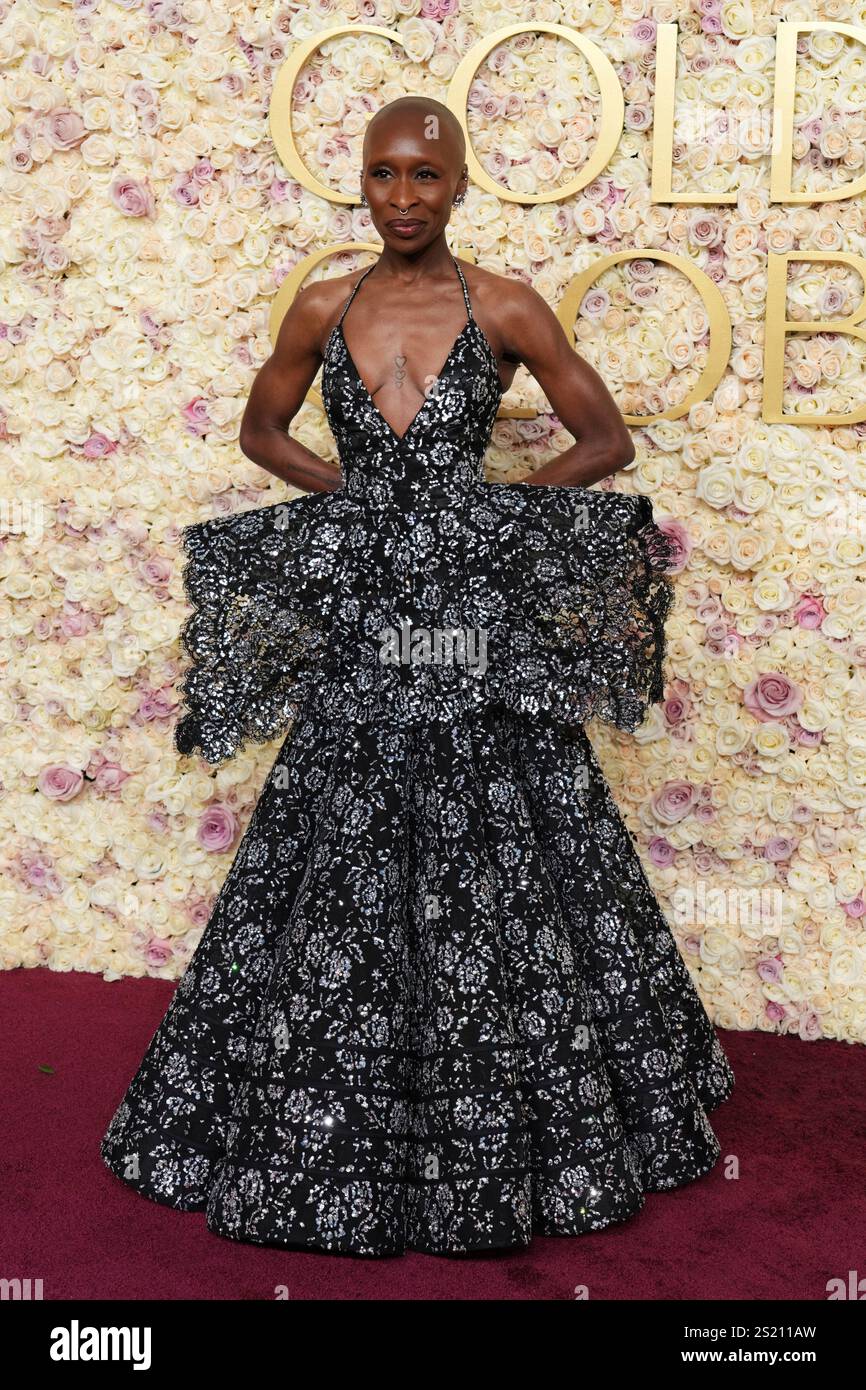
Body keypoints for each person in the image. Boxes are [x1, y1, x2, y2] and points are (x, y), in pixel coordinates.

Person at [101, 96, 734, 1257]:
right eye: (383, 175)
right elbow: (262, 433)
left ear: (458, 186)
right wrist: (359, 508)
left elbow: (604, 443)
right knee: (337, 832)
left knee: (508, 831)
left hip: (469, 626)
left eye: (424, 178)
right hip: (366, 623)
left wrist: (477, 522)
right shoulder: (321, 306)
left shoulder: (501, 305)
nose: (402, 197)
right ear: (360, 181)